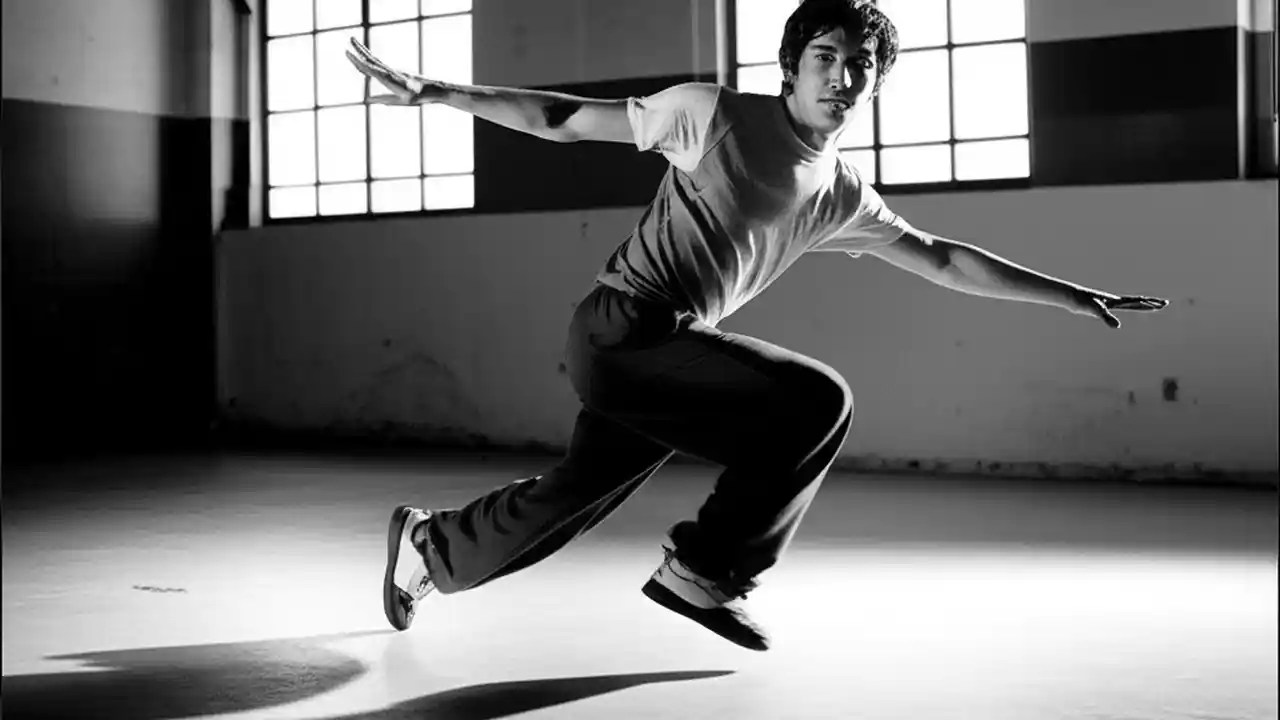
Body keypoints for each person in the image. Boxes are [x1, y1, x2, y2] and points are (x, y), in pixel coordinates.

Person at [350, 0, 1168, 652]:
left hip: (662, 351)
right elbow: (563, 120)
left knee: (573, 494)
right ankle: (704, 570)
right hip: (623, 330)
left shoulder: (841, 191)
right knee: (818, 401)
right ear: (792, 65)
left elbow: (943, 259)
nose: (844, 76)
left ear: (876, 83)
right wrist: (439, 93)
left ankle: (429, 548)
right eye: (826, 57)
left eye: (862, 65)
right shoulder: (714, 116)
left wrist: (1067, 293)